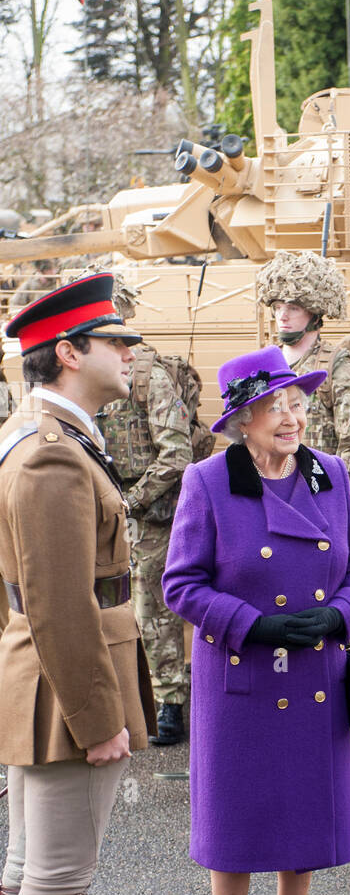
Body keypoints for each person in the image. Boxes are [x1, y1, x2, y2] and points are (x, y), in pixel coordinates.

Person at [162, 346, 350, 895]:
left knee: (301, 812)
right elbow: (180, 583)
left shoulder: (330, 473)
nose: (291, 418)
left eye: (297, 403)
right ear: (242, 421)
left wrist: (338, 615)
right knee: (237, 821)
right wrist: (252, 625)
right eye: (273, 408)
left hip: (314, 669)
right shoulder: (208, 481)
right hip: (242, 678)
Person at [0, 273, 156, 895]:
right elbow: (58, 598)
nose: (129, 353)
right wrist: (99, 720)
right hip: (67, 692)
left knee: (29, 871)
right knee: (56, 878)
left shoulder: (39, 434)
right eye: (114, 341)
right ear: (69, 352)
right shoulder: (52, 452)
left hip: (41, 682)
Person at [93, 272, 199, 746]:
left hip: (147, 508)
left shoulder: (149, 378)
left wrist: (130, 502)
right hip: (102, 504)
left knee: (151, 606)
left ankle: (169, 703)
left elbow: (176, 454)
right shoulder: (84, 379)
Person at [255, 250, 350, 531]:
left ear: (315, 313)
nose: (282, 315)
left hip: (319, 509)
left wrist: (325, 508)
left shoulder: (337, 366)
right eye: (278, 306)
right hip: (271, 504)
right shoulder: (263, 364)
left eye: (294, 307)